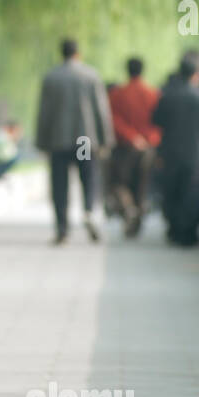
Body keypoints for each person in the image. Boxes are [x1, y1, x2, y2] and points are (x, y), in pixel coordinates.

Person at [35, 38, 113, 243]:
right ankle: (88, 210)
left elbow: (44, 112)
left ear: (62, 54)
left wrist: (41, 141)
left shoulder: (51, 77)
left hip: (58, 140)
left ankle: (62, 229)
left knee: (59, 184)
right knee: (88, 178)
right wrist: (105, 140)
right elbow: (101, 110)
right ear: (78, 53)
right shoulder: (91, 76)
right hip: (84, 140)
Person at [150, 49, 199, 246]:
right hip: (198, 157)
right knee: (193, 196)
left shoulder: (167, 95)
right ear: (198, 74)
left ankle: (174, 231)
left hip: (170, 155)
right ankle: (188, 235)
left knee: (172, 193)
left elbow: (155, 120)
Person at [107, 57, 160, 237]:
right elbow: (159, 122)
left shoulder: (117, 94)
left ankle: (128, 210)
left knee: (120, 183)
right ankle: (136, 219)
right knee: (141, 185)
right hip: (148, 147)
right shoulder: (153, 94)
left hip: (125, 147)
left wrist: (132, 137)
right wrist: (149, 139)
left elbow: (113, 120)